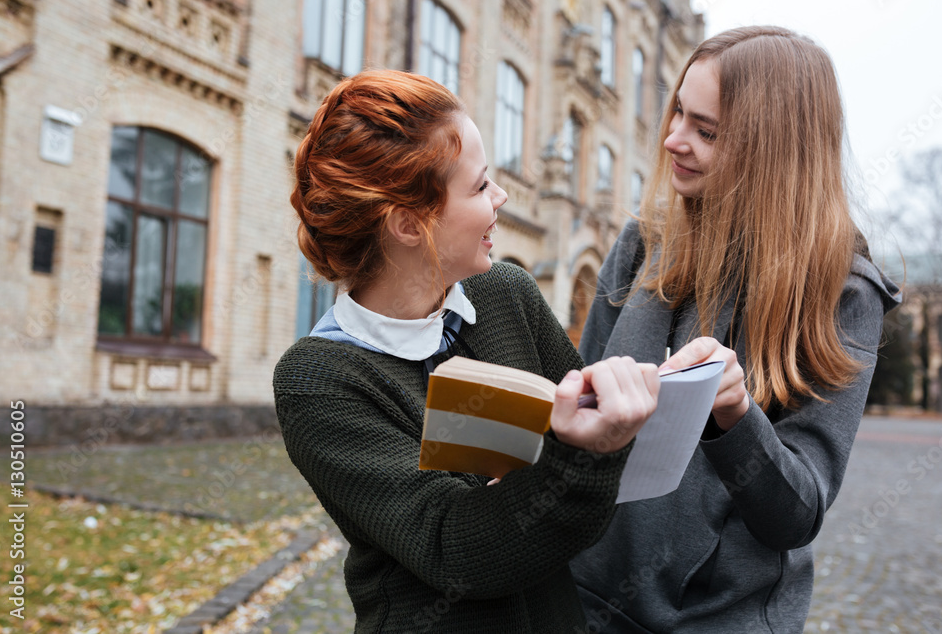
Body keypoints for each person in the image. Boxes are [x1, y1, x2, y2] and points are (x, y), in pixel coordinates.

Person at [273, 69, 662, 633]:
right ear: (410, 224)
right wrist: (578, 458)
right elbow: (454, 548)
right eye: (480, 187)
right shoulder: (319, 380)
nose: (501, 197)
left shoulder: (507, 293)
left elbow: (588, 452)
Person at [569, 26, 902, 633]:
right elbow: (577, 413)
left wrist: (735, 414)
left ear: (775, 151)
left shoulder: (845, 294)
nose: (673, 140)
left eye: (707, 131)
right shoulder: (642, 244)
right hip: (583, 602)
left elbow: (796, 514)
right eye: (677, 115)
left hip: (721, 620)